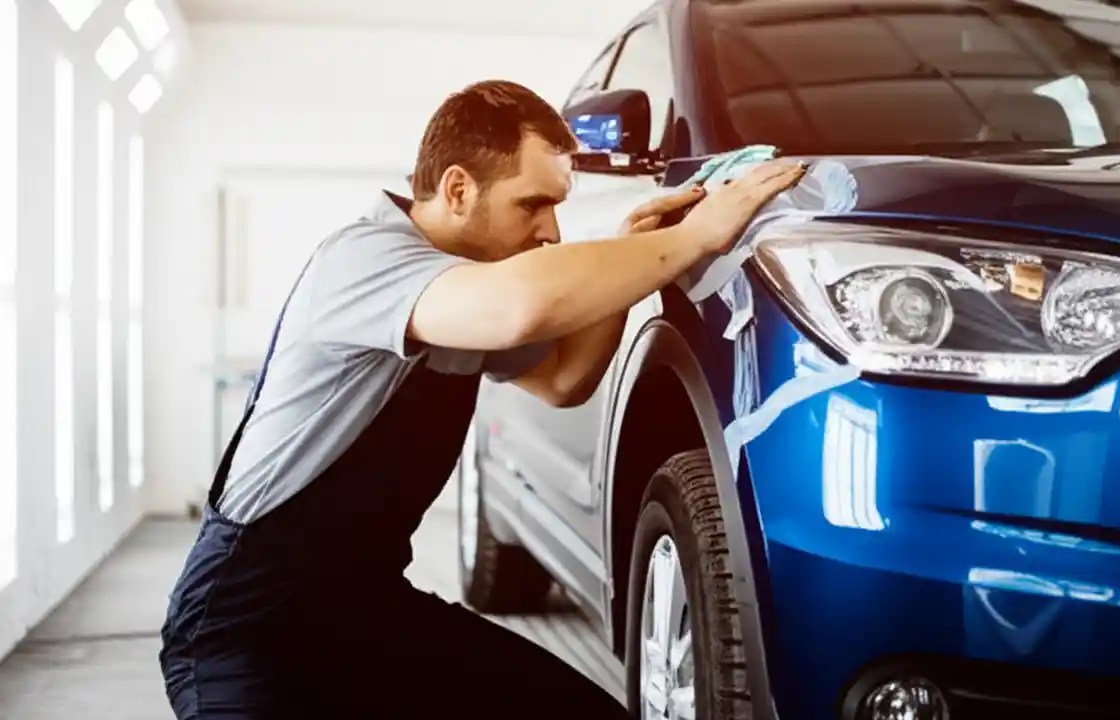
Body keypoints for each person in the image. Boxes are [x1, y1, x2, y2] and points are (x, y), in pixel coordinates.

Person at [158, 79, 806, 719]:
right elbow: (523, 307)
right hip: (243, 633)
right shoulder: (365, 258)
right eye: (533, 204)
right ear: (459, 189)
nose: (551, 230)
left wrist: (638, 257)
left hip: (365, 614)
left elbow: (561, 379)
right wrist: (694, 238)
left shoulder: (464, 290)